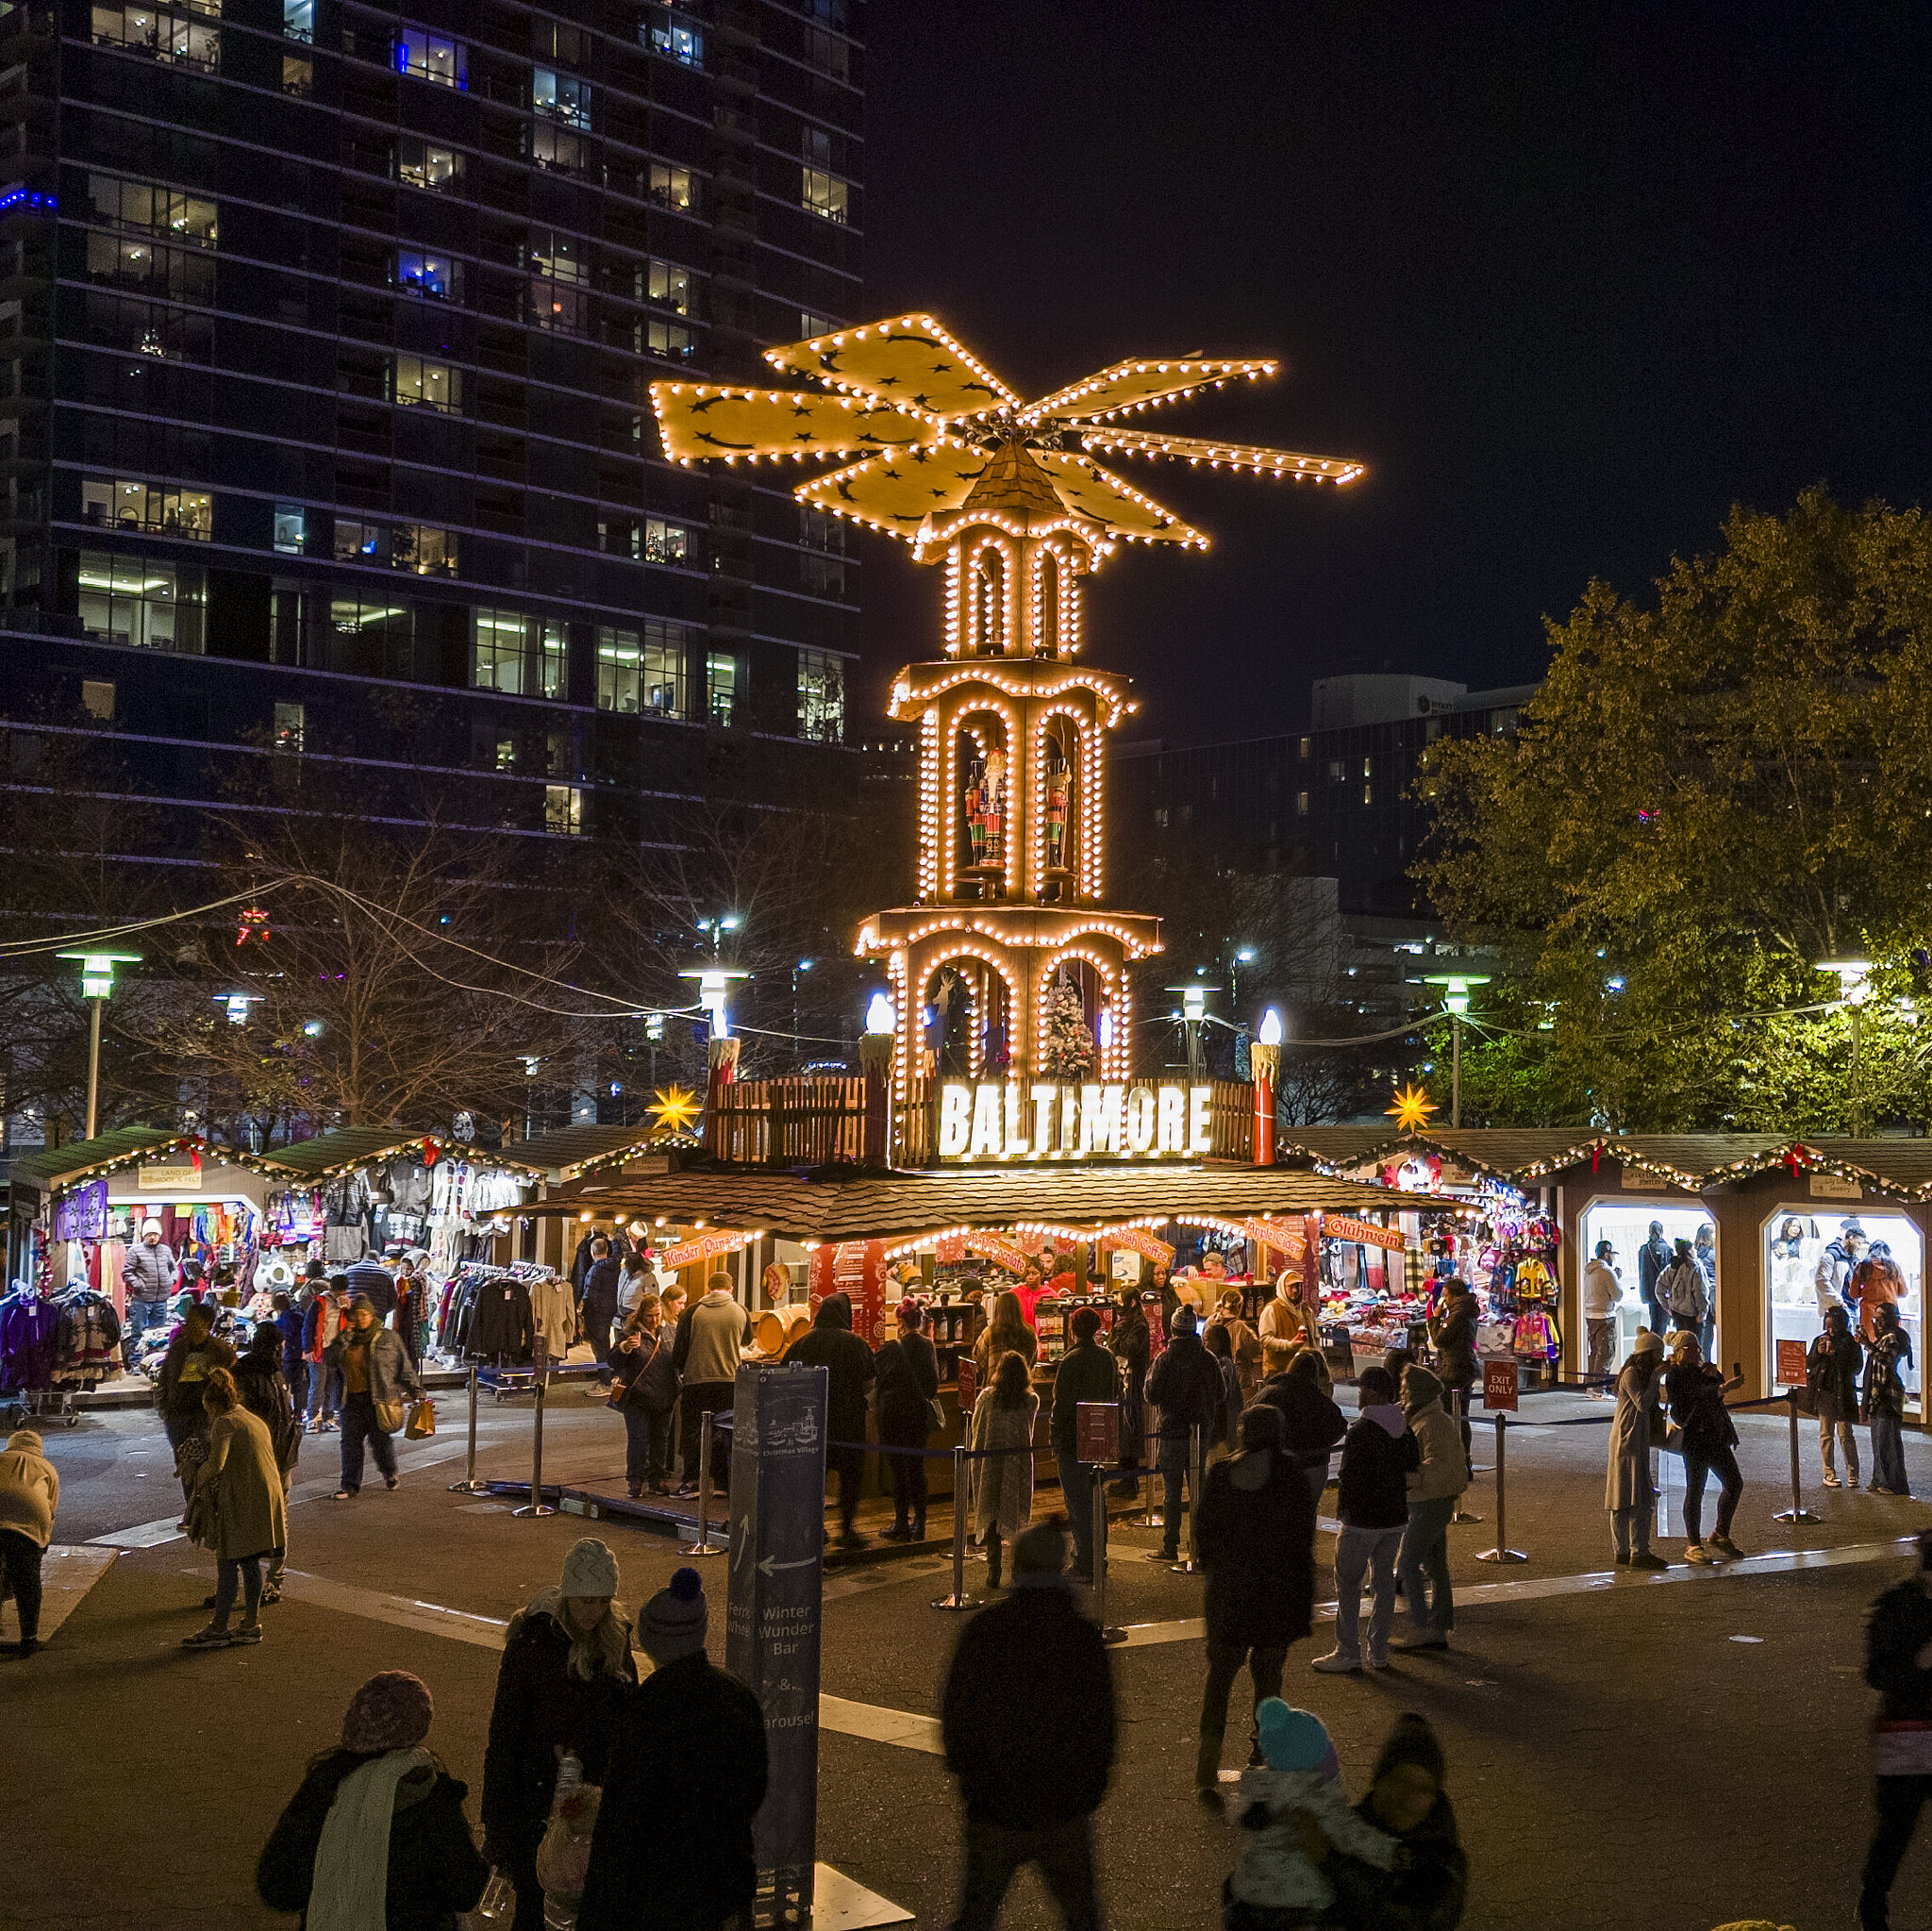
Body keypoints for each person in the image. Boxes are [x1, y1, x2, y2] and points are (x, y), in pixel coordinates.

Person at [940, 1522, 1115, 1931]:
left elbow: (958, 1717)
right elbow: (1100, 1726)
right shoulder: (1081, 1636)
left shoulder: (984, 1631)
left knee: (977, 1914)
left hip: (995, 1803)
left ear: (1017, 1568)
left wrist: (972, 1782)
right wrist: (1089, 1788)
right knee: (1082, 1916)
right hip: (1062, 1806)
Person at [577, 1569, 768, 1931]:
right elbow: (754, 1788)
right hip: (726, 1882)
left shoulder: (644, 1711)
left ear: (651, 1641)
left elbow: (622, 1823)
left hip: (662, 1894)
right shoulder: (736, 1694)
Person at [483, 1539, 638, 1931]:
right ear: (569, 1595)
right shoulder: (532, 1641)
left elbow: (626, 1721)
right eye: (586, 1601)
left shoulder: (615, 1639)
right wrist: (498, 1827)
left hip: (595, 1800)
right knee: (536, 1906)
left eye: (603, 1601)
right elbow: (504, 1735)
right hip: (539, 1799)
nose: (595, 1611)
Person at [258, 1671, 490, 1928]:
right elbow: (466, 1891)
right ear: (418, 1727)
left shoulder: (323, 1787)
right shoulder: (430, 1796)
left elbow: (277, 1888)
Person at [1193, 1407, 1317, 1799]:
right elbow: (1302, 1542)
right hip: (1275, 1595)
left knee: (1221, 1677)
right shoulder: (1291, 1476)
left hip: (1230, 1593)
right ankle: (1263, 1753)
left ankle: (1207, 1762)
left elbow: (1204, 1536)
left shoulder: (1222, 1474)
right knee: (1268, 1679)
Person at [1224, 1701, 1396, 1929]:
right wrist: (1391, 1852)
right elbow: (1352, 1834)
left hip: (1251, 1893)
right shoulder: (1319, 1797)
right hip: (1301, 1899)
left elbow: (1237, 1811)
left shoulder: (1257, 1786)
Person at [1319, 1711, 1470, 1931]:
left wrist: (1332, 1863)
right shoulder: (1344, 1829)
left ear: (1434, 1799)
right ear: (1378, 1781)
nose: (1409, 1797)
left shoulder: (1445, 1860)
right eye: (1400, 1781)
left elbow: (1415, 1920)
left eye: (1423, 1789)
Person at [1314, 1365, 1419, 1674]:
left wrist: (1345, 1513)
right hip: (1394, 1517)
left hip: (1361, 1521)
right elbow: (1412, 1464)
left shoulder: (1362, 1431)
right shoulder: (1402, 1427)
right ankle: (1378, 1650)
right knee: (1383, 1582)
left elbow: (1350, 1476)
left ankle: (1347, 1651)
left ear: (1375, 1392)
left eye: (1363, 1389)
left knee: (1347, 1584)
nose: (1359, 1394)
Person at [182, 1366, 287, 1649]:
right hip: (264, 1497)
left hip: (243, 1497)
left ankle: (218, 1628)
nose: (209, 1415)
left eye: (209, 1409)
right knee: (250, 1562)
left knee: (228, 1563)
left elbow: (216, 1465)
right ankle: (250, 1624)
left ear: (214, 1404)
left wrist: (195, 1473)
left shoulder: (225, 1423)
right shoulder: (250, 1418)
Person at [788, 1290, 877, 1546]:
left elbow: (786, 1377)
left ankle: (815, 1528)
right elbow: (870, 1382)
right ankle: (847, 1529)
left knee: (814, 1479)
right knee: (850, 1478)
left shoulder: (802, 1343)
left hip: (811, 1422)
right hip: (849, 1422)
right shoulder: (855, 1343)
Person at [1394, 1363, 1468, 1651]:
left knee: (1408, 1562)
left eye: (1404, 1389)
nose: (1401, 1394)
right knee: (1436, 1565)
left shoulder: (1431, 1422)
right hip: (1433, 1499)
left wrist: (1407, 1479)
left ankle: (1423, 1626)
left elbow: (1437, 1466)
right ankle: (1437, 1626)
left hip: (1429, 1500)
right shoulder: (1427, 1419)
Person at [1146, 1305, 1226, 1562]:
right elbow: (1222, 1393)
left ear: (1173, 1329)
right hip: (1200, 1432)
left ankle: (1170, 1546)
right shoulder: (1208, 1359)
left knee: (1171, 1492)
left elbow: (1151, 1394)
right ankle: (1200, 1546)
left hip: (1172, 1431)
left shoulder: (1165, 1359)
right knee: (1198, 1491)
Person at [1049, 1305, 1121, 1581]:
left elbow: (1062, 1404)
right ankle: (1098, 1557)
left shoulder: (1071, 1360)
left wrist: (1055, 1436)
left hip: (1073, 1439)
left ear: (1073, 1329)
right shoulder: (1107, 1357)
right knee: (1096, 1498)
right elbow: (1115, 1392)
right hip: (1100, 1434)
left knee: (1078, 1502)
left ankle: (1085, 1562)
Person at [329, 1293, 423, 1501]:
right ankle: (349, 1485)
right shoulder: (346, 1338)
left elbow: (403, 1367)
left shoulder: (388, 1338)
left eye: (365, 1314)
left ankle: (389, 1472)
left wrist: (416, 1391)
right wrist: (342, 1339)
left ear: (372, 1315)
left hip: (378, 1399)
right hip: (350, 1400)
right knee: (350, 1444)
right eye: (357, 1314)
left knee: (380, 1441)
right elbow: (330, 1360)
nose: (361, 1318)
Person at [234, 1323, 300, 1601]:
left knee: (277, 1521)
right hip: (260, 1460)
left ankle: (272, 1581)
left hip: (280, 1459)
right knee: (256, 1521)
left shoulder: (274, 1373)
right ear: (275, 1346)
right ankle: (247, 1584)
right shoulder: (248, 1374)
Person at [969, 1349, 1038, 1588]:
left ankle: (993, 1568)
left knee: (991, 1516)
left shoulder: (987, 1399)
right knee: (1016, 1514)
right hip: (1017, 1465)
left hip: (990, 1464)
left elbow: (977, 1429)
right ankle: (1018, 1569)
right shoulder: (1031, 1401)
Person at [874, 1297, 941, 1542]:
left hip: (893, 1416)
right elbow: (933, 1385)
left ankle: (901, 1523)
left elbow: (880, 1381)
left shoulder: (892, 1348)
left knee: (898, 1470)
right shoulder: (927, 1346)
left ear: (901, 1322)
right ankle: (921, 1522)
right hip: (916, 1416)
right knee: (916, 1468)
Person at [674, 1273, 747, 1496]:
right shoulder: (740, 1311)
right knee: (725, 1431)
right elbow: (746, 1341)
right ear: (731, 1289)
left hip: (698, 1380)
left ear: (708, 1287)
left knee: (694, 1431)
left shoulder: (693, 1311)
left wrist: (682, 1370)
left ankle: (692, 1482)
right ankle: (723, 1483)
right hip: (730, 1380)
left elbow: (680, 1349)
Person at [156, 1302, 236, 1503]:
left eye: (194, 1320)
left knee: (208, 1461)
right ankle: (192, 1506)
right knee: (184, 1463)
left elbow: (230, 1382)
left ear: (207, 1324)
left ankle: (207, 1505)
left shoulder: (221, 1351)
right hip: (178, 1414)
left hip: (205, 1415)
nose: (189, 1324)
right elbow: (165, 1379)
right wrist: (164, 1407)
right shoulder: (178, 1349)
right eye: (188, 1320)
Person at [1255, 1346, 1347, 1512]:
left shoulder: (1271, 1392)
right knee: (1306, 1514)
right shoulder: (1316, 1398)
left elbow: (1251, 1418)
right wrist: (1319, 1443)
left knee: (1277, 1512)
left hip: (1276, 1463)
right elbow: (1338, 1425)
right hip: (1313, 1463)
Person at [1606, 1328, 1669, 1569]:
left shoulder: (1638, 1372)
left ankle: (1627, 1550)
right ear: (1647, 1355)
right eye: (1658, 1354)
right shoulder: (1632, 1374)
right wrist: (1656, 1379)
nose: (1661, 1359)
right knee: (1630, 1496)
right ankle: (1634, 1551)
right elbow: (1642, 1403)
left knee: (1628, 1494)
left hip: (1634, 1437)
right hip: (1627, 1439)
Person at [0, 1426, 58, 1658]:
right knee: (27, 1580)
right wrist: (41, 1545)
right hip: (28, 1520)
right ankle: (29, 1639)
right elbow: (51, 1507)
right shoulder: (46, 1467)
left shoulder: (2, 1457)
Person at [611, 1297, 674, 1498]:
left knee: (660, 1440)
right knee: (638, 1439)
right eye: (649, 1316)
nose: (654, 1320)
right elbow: (612, 1360)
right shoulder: (630, 1333)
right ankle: (635, 1481)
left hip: (664, 1395)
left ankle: (657, 1479)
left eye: (657, 1315)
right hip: (637, 1397)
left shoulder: (670, 1331)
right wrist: (624, 1348)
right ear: (641, 1314)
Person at [1810, 1304, 1866, 1489]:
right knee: (1826, 1434)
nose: (1830, 1330)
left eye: (1834, 1326)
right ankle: (1828, 1472)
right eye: (1827, 1326)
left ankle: (1853, 1473)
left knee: (1845, 1434)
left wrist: (1835, 1353)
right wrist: (1819, 1352)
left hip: (1843, 1393)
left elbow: (1857, 1367)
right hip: (1824, 1392)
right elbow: (1809, 1363)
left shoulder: (1850, 1343)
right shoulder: (1819, 1340)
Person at [1867, 1302, 1915, 1498]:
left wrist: (1867, 1345)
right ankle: (1879, 1479)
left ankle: (1893, 1483)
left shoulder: (1892, 1337)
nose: (1877, 1322)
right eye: (1875, 1318)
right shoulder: (1884, 1337)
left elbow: (1885, 1361)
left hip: (1888, 1395)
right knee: (1879, 1440)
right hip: (1879, 1395)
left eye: (1881, 1318)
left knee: (1888, 1441)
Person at [1108, 1285, 1151, 1499]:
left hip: (1131, 1382)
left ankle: (1130, 1482)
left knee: (1129, 1430)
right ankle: (1127, 1478)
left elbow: (1127, 1348)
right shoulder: (1129, 1323)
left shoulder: (1138, 1325)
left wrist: (1115, 1335)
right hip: (1124, 1381)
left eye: (1121, 1300)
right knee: (1124, 1431)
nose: (1118, 1305)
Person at [1432, 1280, 1479, 1475]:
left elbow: (1439, 1339)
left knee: (1452, 1415)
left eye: (1445, 1294)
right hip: (1463, 1367)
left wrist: (1435, 1319)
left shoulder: (1458, 1313)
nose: (1443, 1298)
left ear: (1452, 1294)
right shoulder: (1465, 1310)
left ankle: (1457, 1462)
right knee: (1460, 1415)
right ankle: (1462, 1460)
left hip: (1455, 1369)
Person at [122, 1219, 178, 1368]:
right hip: (141, 1299)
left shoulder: (165, 1250)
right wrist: (139, 1285)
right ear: (144, 1235)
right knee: (138, 1332)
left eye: (155, 1234)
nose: (152, 1237)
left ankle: (153, 1362)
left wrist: (171, 1280)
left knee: (158, 1334)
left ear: (159, 1235)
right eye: (149, 1234)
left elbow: (174, 1268)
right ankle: (135, 1363)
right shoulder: (135, 1251)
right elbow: (127, 1273)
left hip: (161, 1299)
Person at [304, 1275, 351, 1433]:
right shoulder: (319, 1303)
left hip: (336, 1350)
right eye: (339, 1293)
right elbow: (308, 1326)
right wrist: (308, 1349)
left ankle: (328, 1417)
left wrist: (347, 1309)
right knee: (317, 1385)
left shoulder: (346, 1304)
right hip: (319, 1350)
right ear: (332, 1290)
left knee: (331, 1384)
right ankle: (312, 1418)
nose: (341, 1296)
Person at [973, 1288, 1038, 1390]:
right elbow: (1032, 1360)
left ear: (998, 1309)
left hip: (994, 1390)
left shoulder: (990, 1332)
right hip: (1021, 1390)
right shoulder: (1029, 1332)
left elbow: (977, 1357)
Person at [1208, 1289, 1264, 1403]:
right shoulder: (1240, 1327)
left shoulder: (1210, 1322)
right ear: (1239, 1307)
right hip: (1238, 1375)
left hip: (1213, 1372)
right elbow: (1253, 1349)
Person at [579, 1237, 622, 1384]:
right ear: (607, 1250)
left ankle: (604, 1379)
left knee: (600, 1346)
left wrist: (585, 1311)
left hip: (596, 1314)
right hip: (609, 1310)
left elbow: (589, 1294)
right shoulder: (614, 1265)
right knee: (605, 1342)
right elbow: (618, 1255)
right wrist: (614, 1241)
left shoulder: (595, 1269)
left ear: (592, 1252)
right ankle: (605, 1372)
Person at [1582, 1240, 1622, 1394]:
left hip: (1590, 1315)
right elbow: (1617, 1295)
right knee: (1605, 1353)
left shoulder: (1589, 1270)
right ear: (1606, 1254)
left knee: (1595, 1352)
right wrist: (1617, 1277)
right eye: (1612, 1254)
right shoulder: (1607, 1271)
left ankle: (1591, 1387)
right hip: (1605, 1316)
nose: (1612, 1258)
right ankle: (1600, 1390)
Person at [1204, 1322, 1244, 1453]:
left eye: (1206, 1340)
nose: (1204, 1344)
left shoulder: (1223, 1363)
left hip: (1224, 1426)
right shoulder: (1219, 1363)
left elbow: (1221, 1392)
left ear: (1218, 1343)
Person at [1657, 1238, 1708, 1341]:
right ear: (1689, 1250)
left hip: (1676, 1312)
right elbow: (1700, 1292)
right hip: (1692, 1315)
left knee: (1680, 1343)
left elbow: (1659, 1288)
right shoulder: (1696, 1268)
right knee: (1694, 1346)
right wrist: (1702, 1312)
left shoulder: (1671, 1268)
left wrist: (1667, 1306)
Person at [271, 1290, 308, 1428]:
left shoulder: (278, 1323)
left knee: (284, 1387)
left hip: (287, 1358)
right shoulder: (299, 1316)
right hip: (300, 1356)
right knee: (298, 1386)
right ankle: (298, 1414)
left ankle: (286, 1413)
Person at [1857, 1246, 1908, 1346]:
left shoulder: (1862, 1267)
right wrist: (1890, 1290)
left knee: (1869, 1346)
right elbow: (1903, 1292)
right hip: (1889, 1313)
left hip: (1869, 1314)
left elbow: (1853, 1293)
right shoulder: (1894, 1267)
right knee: (1891, 1345)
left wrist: (1867, 1291)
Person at [1821, 1223, 1870, 1323]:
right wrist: (1838, 1301)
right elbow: (1822, 1281)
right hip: (1839, 1308)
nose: (1859, 1247)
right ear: (1851, 1239)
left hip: (1850, 1306)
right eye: (1859, 1243)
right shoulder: (1832, 1255)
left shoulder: (1852, 1258)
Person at [1258, 1269, 1315, 1352]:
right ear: (1282, 1287)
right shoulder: (1272, 1310)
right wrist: (1289, 1345)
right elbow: (1264, 1340)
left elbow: (1314, 1338)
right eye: (1291, 1287)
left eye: (1297, 1286)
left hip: (1304, 1362)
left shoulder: (1305, 1309)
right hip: (1279, 1364)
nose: (1295, 1290)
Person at [1636, 1220, 1674, 1340]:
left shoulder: (1643, 1250)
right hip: (1664, 1294)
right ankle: (1658, 1353)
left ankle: (1652, 1349)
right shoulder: (1667, 1249)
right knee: (1662, 1326)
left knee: (1654, 1324)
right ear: (1661, 1232)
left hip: (1649, 1294)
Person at [344, 1250, 398, 1321]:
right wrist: (383, 1311)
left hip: (353, 1311)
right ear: (378, 1261)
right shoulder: (385, 1273)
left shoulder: (349, 1271)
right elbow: (393, 1299)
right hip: (376, 1314)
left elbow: (342, 1292)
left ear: (363, 1259)